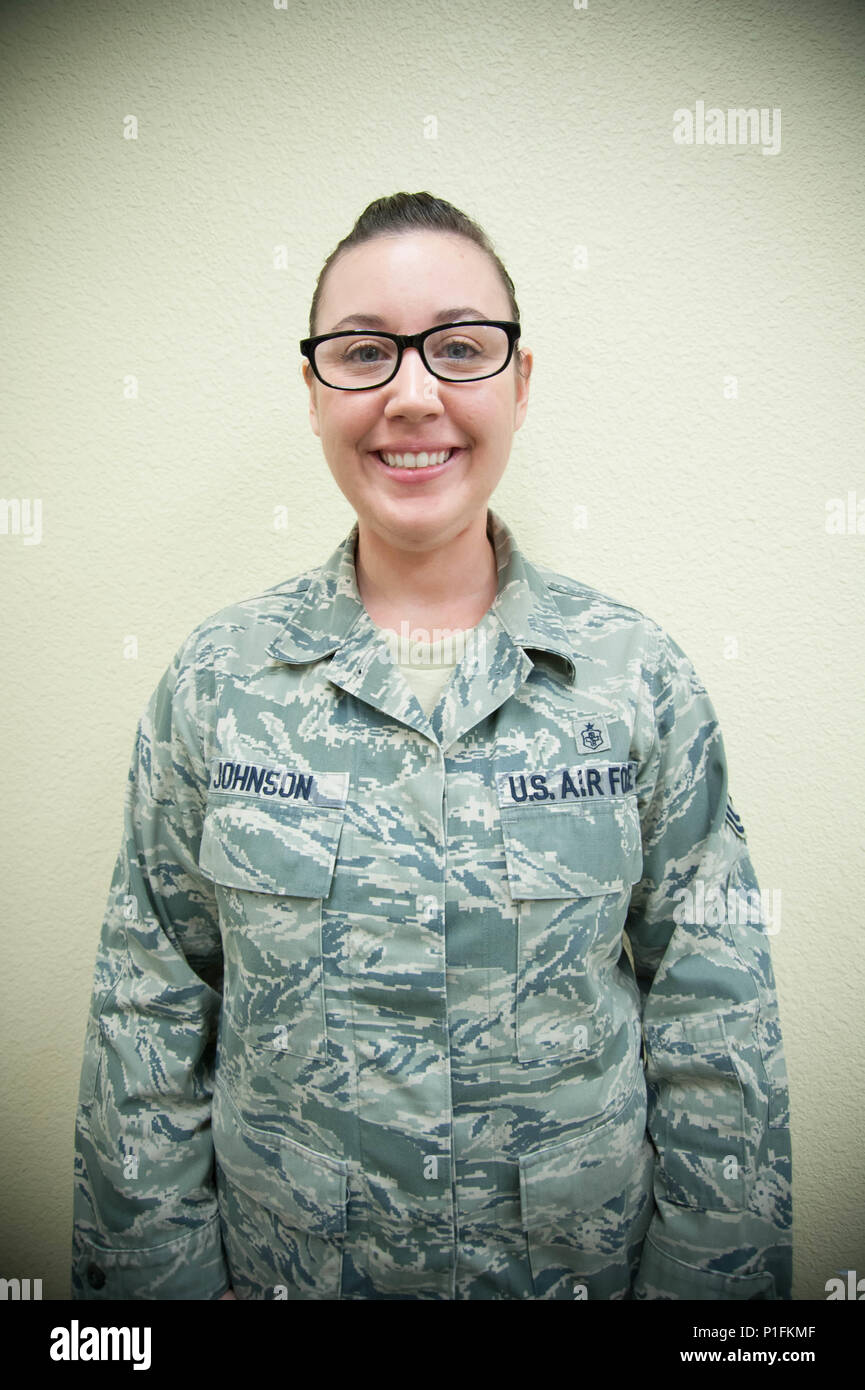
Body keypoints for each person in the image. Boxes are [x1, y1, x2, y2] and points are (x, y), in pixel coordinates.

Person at [71, 191, 792, 1301]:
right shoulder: (218, 682)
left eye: (460, 348)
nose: (413, 395)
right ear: (313, 392)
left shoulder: (634, 679)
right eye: (364, 353)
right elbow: (148, 1007)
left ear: (520, 380)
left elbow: (714, 1017)